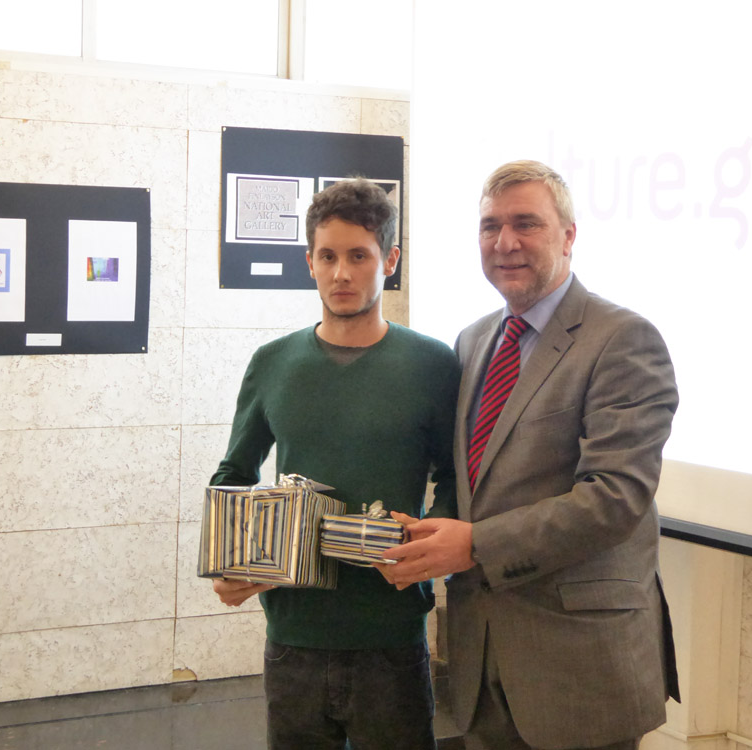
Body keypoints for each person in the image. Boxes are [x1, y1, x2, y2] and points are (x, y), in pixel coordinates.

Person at [380, 160, 681, 750]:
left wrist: (473, 544)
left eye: (526, 224)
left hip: (580, 668)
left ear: (569, 236)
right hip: (482, 663)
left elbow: (613, 500)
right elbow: (470, 481)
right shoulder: (474, 339)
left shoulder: (623, 340)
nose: (505, 243)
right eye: (490, 227)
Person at [208, 178, 460, 750]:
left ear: (389, 260)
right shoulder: (272, 364)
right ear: (310, 262)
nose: (342, 273)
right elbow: (233, 476)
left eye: (358, 256)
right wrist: (230, 563)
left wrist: (428, 547)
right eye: (328, 256)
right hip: (295, 632)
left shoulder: (433, 365)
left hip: (390, 636)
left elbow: (454, 479)